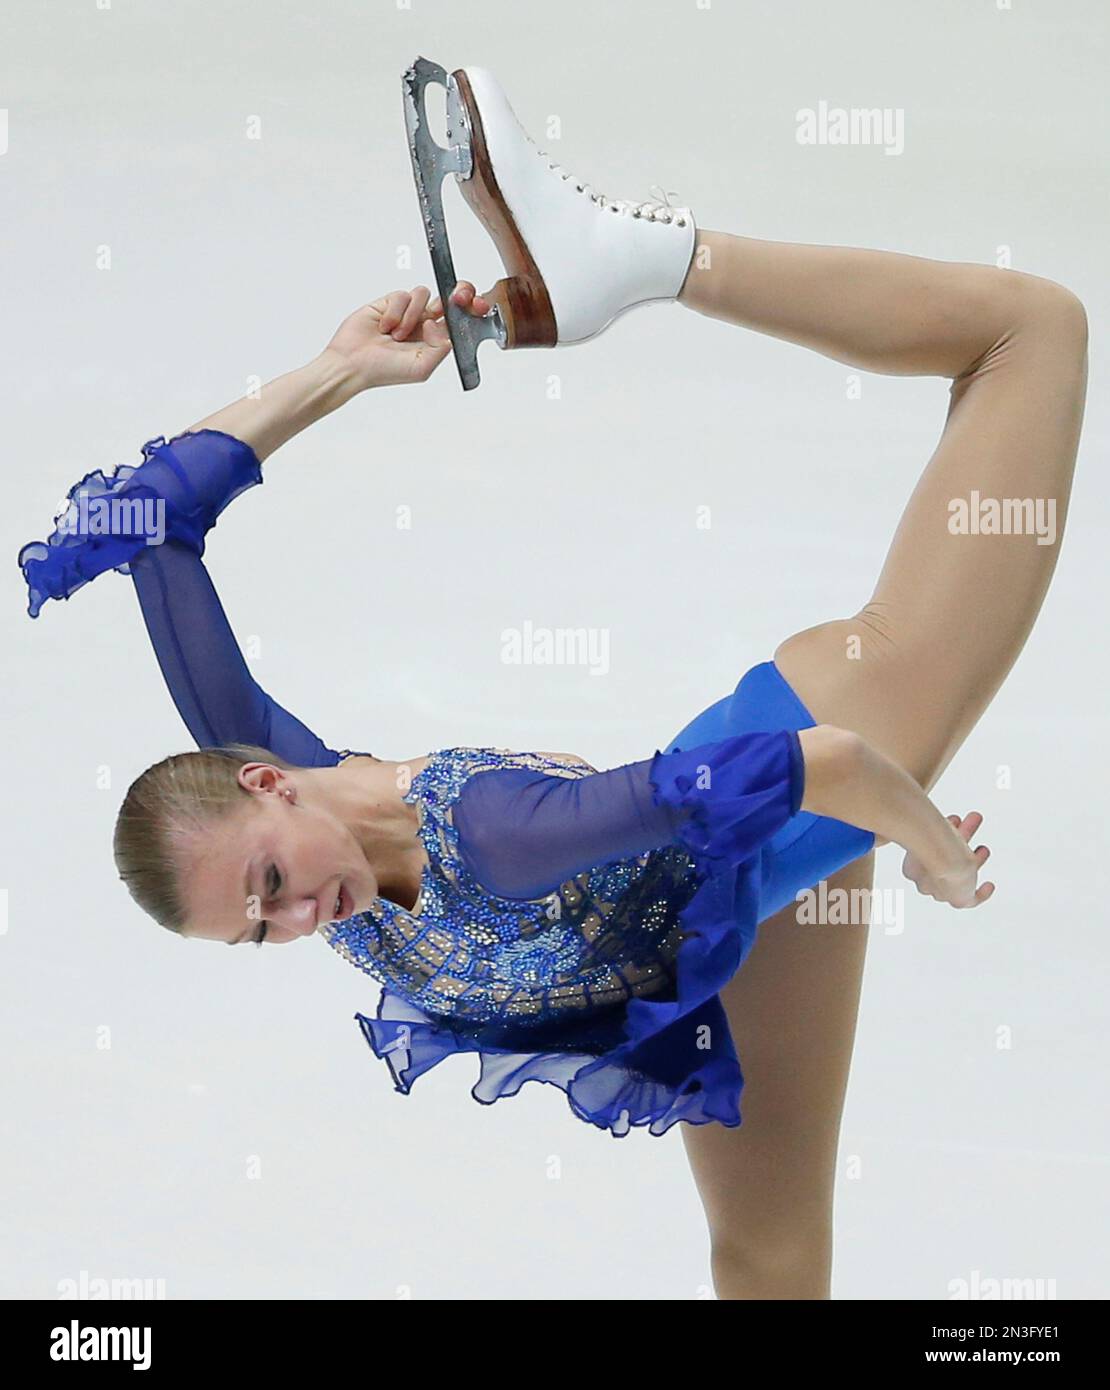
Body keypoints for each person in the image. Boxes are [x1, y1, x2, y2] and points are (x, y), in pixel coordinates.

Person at [18, 84, 1086, 1300]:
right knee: (769, 1257)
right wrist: (342, 372)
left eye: (269, 886)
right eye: (259, 931)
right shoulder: (287, 802)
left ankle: (656, 259)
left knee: (1029, 334)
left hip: (820, 744)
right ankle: (624, 267)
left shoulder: (497, 835)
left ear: (266, 782)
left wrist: (937, 855)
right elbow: (155, 517)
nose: (299, 918)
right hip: (720, 896)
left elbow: (832, 762)